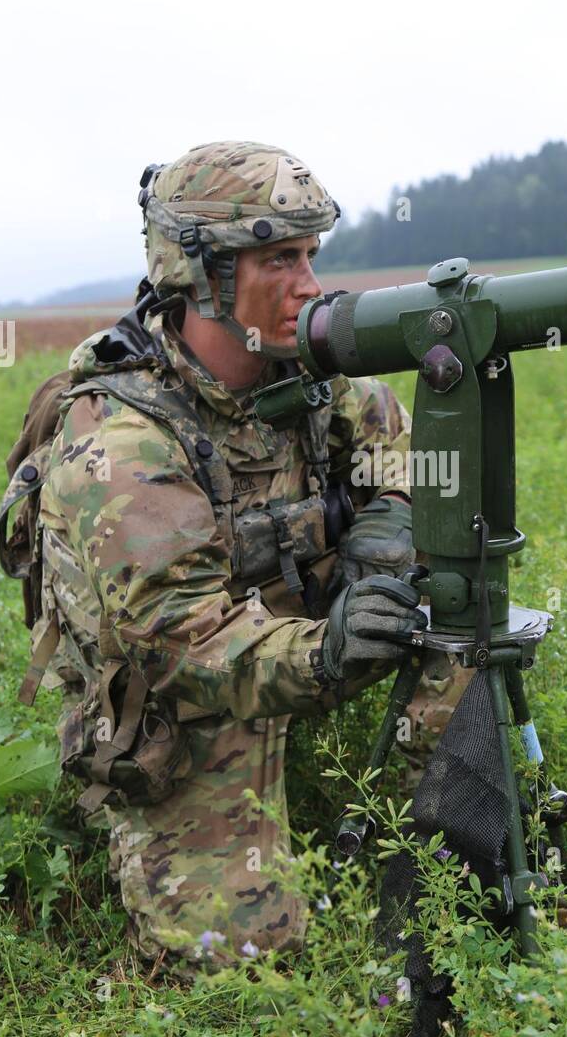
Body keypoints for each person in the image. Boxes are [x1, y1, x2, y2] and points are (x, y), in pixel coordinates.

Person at [28, 140, 447, 967]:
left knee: (460, 619)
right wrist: (330, 651)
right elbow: (184, 646)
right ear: (202, 275)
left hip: (288, 643)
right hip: (180, 702)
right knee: (244, 955)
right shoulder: (122, 440)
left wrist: (387, 524)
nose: (309, 286)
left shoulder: (309, 379)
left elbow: (387, 436)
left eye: (310, 256)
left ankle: (438, 841)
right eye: (278, 259)